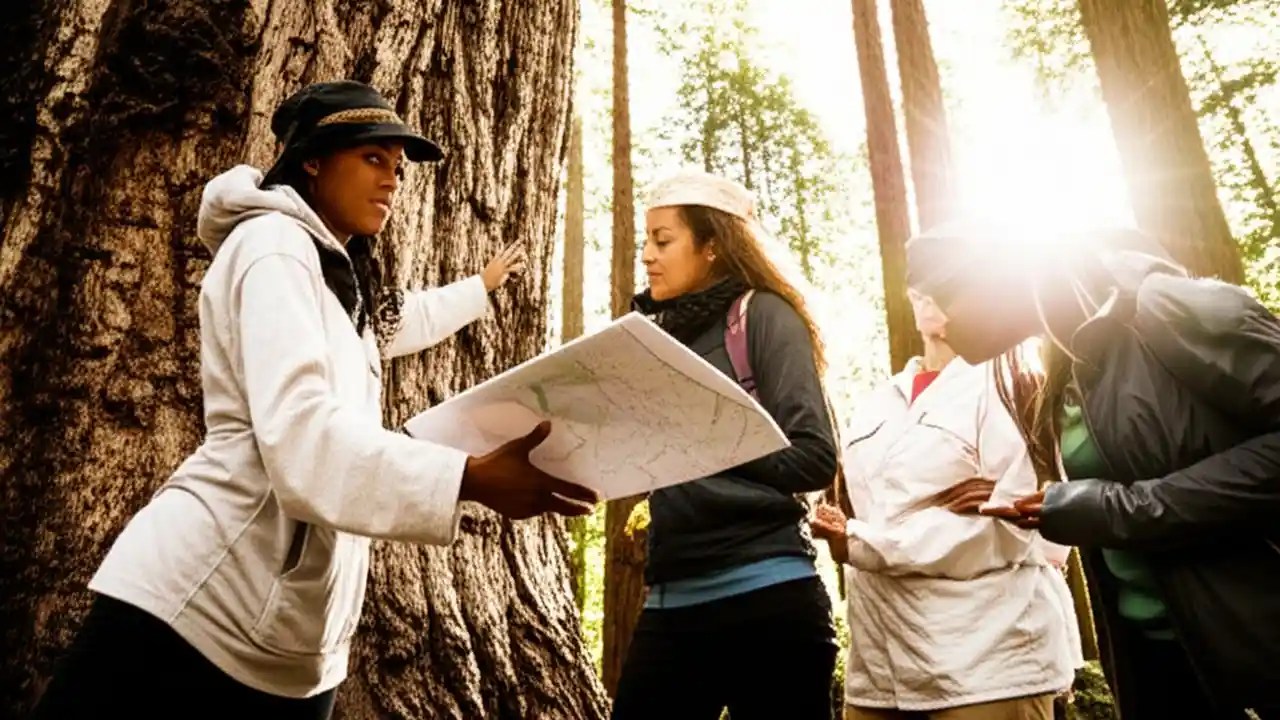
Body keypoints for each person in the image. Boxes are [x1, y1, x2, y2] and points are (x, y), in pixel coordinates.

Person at [30, 80, 597, 719]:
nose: (392, 180)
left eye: (399, 168)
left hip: (295, 646)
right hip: (197, 606)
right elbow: (303, 437)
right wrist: (468, 477)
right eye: (373, 159)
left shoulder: (337, 277)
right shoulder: (273, 248)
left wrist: (481, 286)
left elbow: (398, 322)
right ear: (312, 159)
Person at [903, 222, 1280, 720]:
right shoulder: (1065, 361)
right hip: (1158, 654)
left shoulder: (1162, 306)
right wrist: (1058, 504)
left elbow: (1127, 501)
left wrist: (1117, 509)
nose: (938, 322)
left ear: (994, 281)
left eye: (942, 298)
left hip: (1254, 646)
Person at [609, 170, 840, 720]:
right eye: (645, 241)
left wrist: (709, 436)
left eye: (662, 241)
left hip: (770, 601)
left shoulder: (762, 315)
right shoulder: (654, 341)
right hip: (671, 606)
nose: (646, 255)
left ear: (711, 246)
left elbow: (814, 456)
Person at [809, 283, 1082, 720]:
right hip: (880, 672)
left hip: (986, 665)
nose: (929, 292)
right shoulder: (876, 402)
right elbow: (851, 509)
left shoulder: (1013, 383)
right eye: (921, 283)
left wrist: (861, 543)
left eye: (951, 280)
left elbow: (1008, 529)